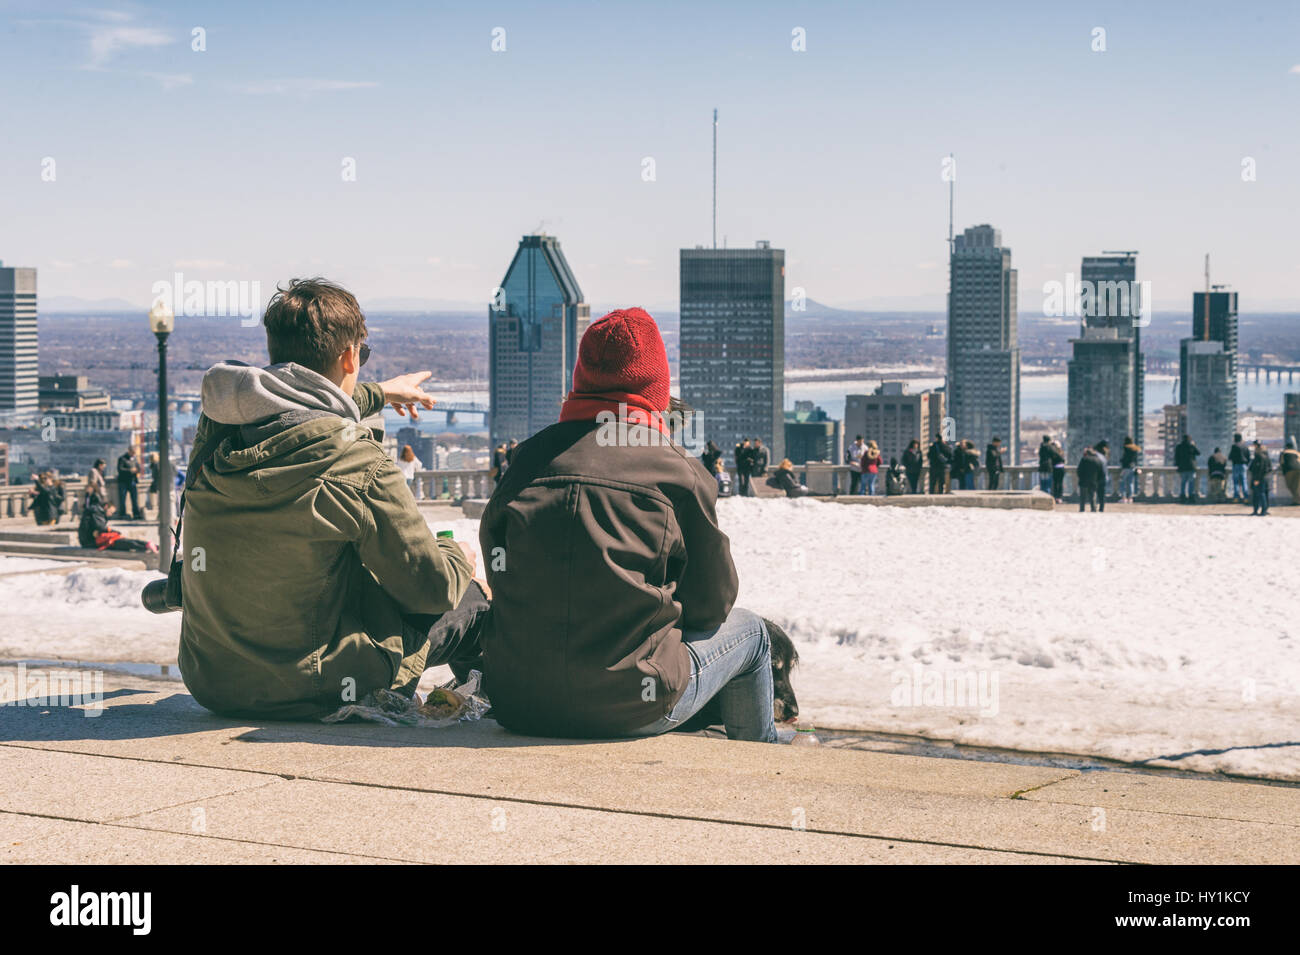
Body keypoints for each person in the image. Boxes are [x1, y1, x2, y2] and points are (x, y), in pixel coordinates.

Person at [178, 277, 480, 718]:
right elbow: (429, 589)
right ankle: (487, 716)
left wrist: (380, 392)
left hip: (213, 682)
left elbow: (294, 399)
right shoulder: (357, 461)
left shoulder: (217, 434)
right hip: (317, 688)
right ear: (350, 355)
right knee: (469, 597)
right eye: (362, 356)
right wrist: (459, 555)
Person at [480, 307, 778, 742]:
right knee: (752, 632)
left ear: (581, 378)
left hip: (516, 700)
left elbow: (499, 571)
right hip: (633, 705)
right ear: (656, 387)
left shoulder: (526, 459)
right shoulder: (677, 470)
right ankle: (764, 771)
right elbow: (713, 605)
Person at [78, 498, 157, 553]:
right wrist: (114, 531)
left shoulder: (96, 512)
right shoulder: (96, 512)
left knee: (121, 540)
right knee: (119, 542)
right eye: (111, 512)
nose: (111, 515)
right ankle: (146, 545)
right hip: (91, 542)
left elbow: (98, 529)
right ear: (106, 507)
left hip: (95, 539)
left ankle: (148, 544)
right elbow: (100, 527)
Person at [1076, 445, 1105, 513]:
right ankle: (1093, 509)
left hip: (1083, 481)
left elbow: (1079, 470)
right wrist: (1097, 480)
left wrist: (1081, 477)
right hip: (1093, 481)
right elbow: (1101, 473)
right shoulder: (1098, 460)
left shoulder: (1084, 459)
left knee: (1082, 497)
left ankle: (1082, 509)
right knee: (1092, 496)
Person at [116, 448, 142, 520]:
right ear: (129, 451)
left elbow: (139, 468)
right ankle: (123, 514)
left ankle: (136, 514)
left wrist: (137, 470)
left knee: (134, 499)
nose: (133, 454)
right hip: (123, 482)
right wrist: (130, 471)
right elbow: (120, 469)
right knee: (122, 499)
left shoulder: (134, 459)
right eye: (132, 452)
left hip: (132, 481)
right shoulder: (122, 459)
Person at [1174, 434, 1200, 503]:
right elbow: (1198, 453)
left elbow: (1176, 457)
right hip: (1190, 467)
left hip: (1182, 468)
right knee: (1191, 483)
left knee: (1183, 483)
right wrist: (1194, 445)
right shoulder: (1191, 446)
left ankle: (1182, 496)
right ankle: (1191, 496)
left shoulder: (1179, 447)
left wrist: (1178, 465)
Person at [1249, 441, 1272, 516]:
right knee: (1264, 494)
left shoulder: (1259, 456)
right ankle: (1263, 510)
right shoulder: (1266, 456)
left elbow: (1259, 468)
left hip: (1259, 478)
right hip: (1265, 477)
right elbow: (1269, 468)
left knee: (1259, 494)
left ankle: (1261, 511)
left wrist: (1257, 479)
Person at [1228, 433, 1250, 503]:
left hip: (1236, 465)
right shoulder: (1245, 446)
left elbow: (1230, 457)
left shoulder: (1234, 446)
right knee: (1244, 481)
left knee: (1236, 482)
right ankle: (1246, 497)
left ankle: (1236, 497)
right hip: (1243, 465)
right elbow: (1248, 456)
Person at [1119, 436, 1142, 503]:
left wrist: (1121, 461)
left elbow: (1125, 458)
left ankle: (1124, 498)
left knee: (1122, 482)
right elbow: (1135, 460)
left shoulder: (1126, 448)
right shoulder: (1135, 449)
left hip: (1126, 467)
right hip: (1133, 467)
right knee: (1130, 483)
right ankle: (1130, 498)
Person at [1280, 438, 1300, 505]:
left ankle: (1296, 501)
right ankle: (1296, 500)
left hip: (1289, 470)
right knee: (1297, 486)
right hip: (1298, 469)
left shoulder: (1284, 453)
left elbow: (1282, 463)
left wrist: (1283, 471)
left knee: (1290, 486)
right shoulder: (1297, 453)